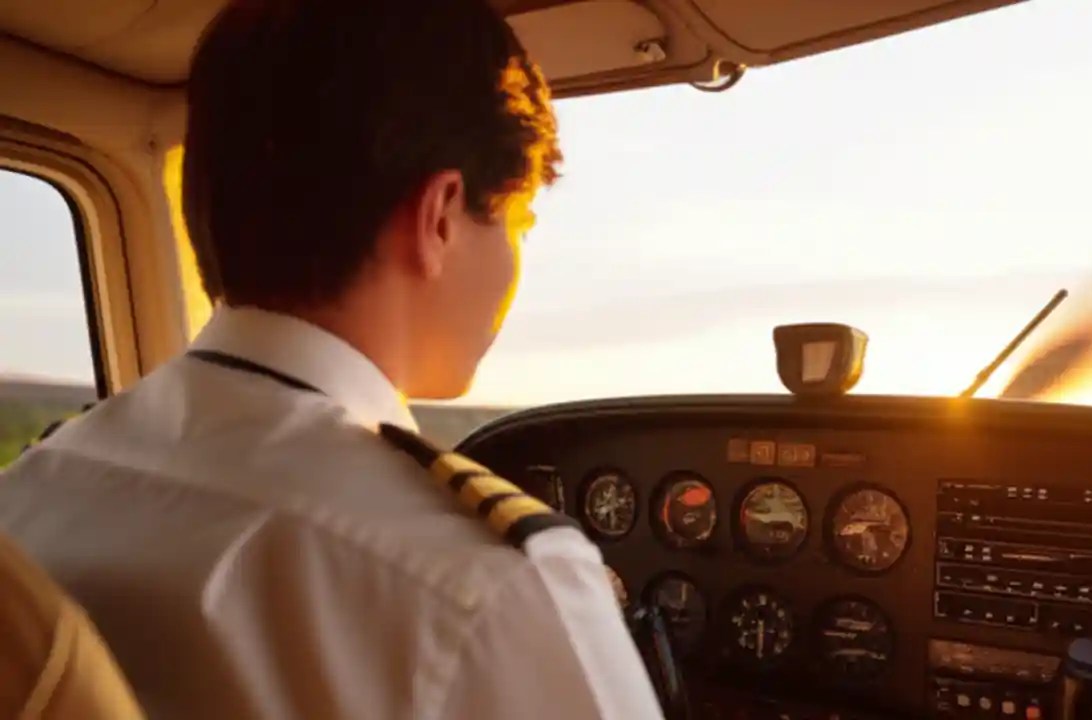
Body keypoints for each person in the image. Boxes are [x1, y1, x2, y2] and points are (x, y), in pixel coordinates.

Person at [0, 0, 665, 718]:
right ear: (439, 217)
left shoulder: (31, 492)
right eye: (517, 219)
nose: (514, 257)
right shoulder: (490, 590)